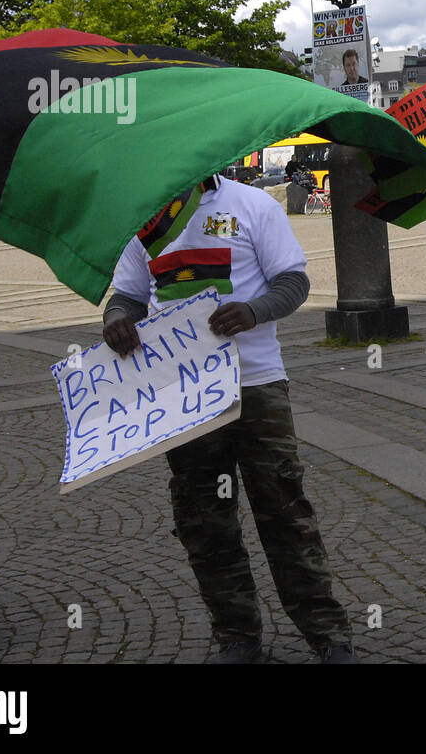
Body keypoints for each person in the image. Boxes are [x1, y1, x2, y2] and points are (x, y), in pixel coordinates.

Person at [102, 174, 358, 664]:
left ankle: (328, 634)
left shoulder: (253, 204)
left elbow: (293, 282)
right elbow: (129, 295)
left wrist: (254, 311)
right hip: (184, 394)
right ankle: (237, 636)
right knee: (205, 519)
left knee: (285, 510)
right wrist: (116, 318)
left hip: (256, 383)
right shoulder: (146, 218)